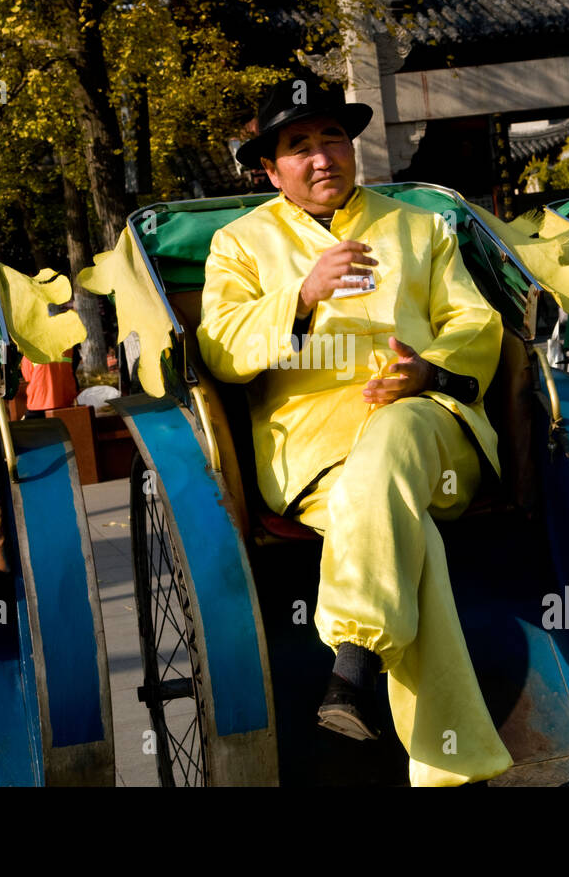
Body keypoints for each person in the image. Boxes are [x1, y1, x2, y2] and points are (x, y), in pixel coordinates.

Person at [197, 76, 514, 786]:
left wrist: (428, 371)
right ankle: (446, 766)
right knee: (408, 532)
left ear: (352, 145)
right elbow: (219, 346)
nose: (321, 157)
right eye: (298, 146)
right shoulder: (238, 246)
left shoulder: (418, 227)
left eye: (332, 137)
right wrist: (301, 295)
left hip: (432, 428)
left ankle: (353, 655)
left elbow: (475, 322)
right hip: (315, 453)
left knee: (395, 437)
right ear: (269, 168)